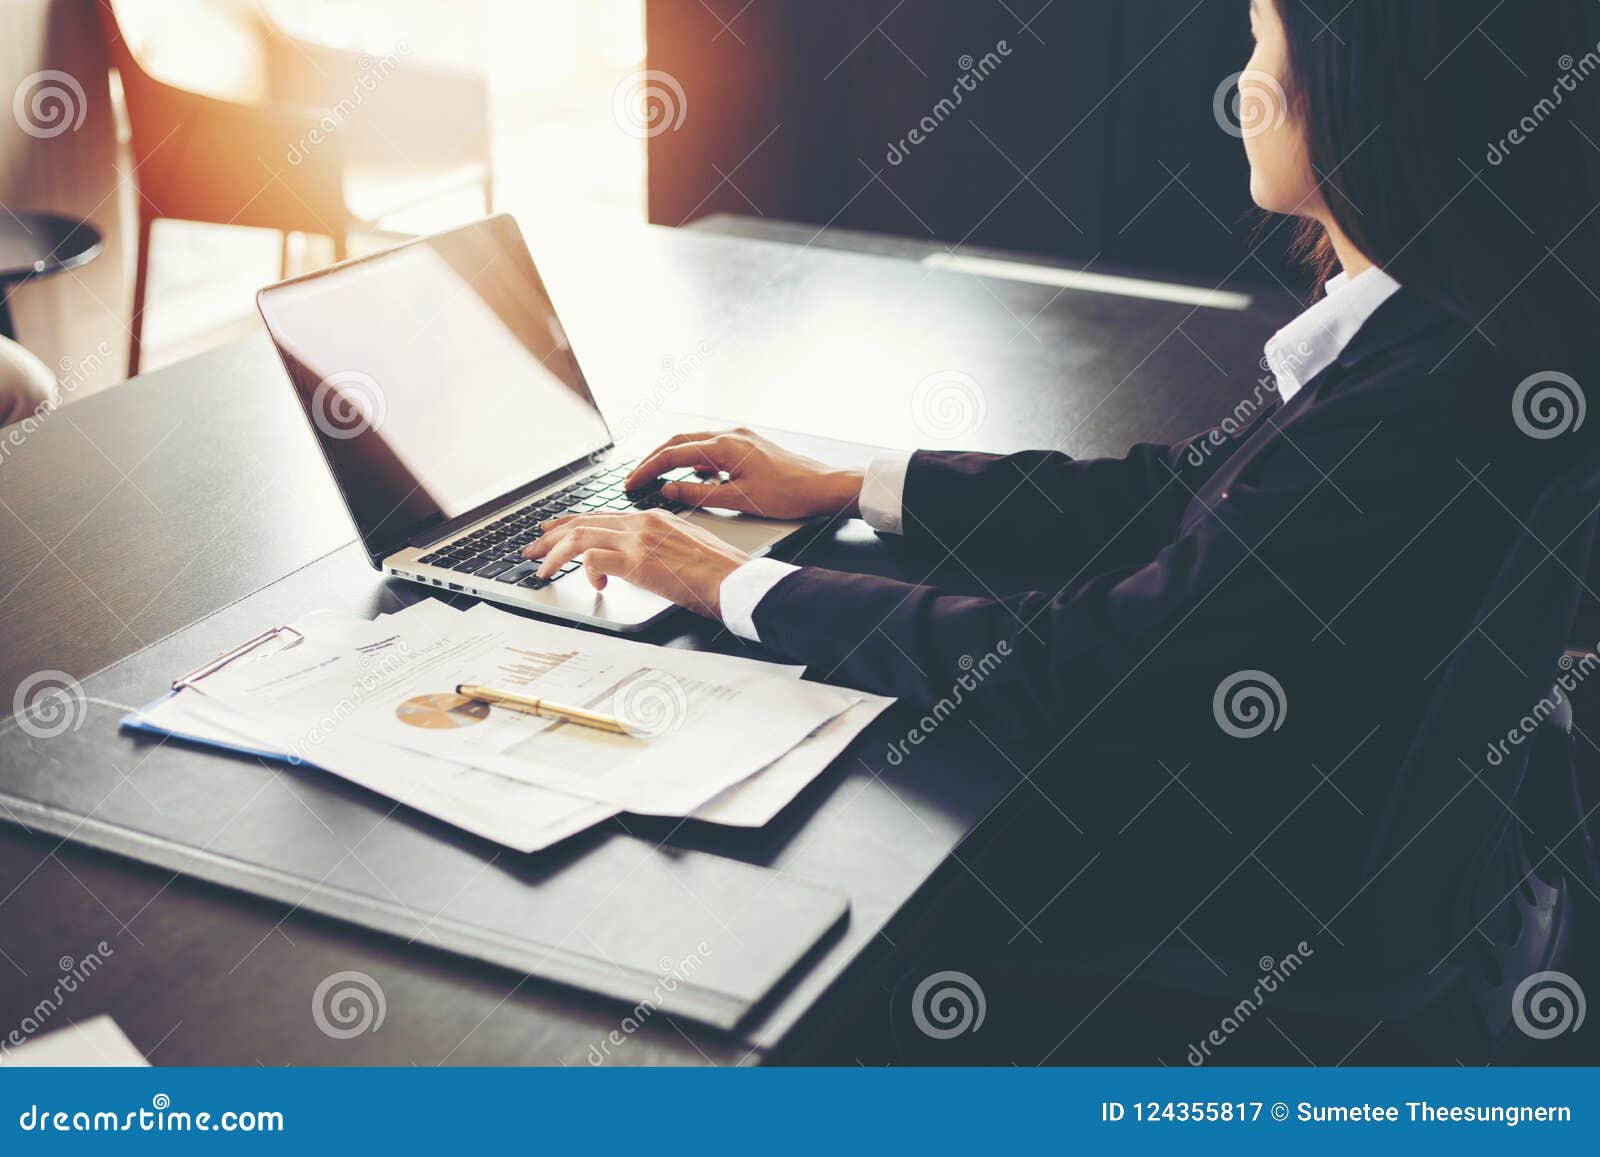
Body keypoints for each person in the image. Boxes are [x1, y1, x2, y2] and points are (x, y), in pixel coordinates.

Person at [526, 0, 1600, 1049]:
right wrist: (849, 484)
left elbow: (1092, 667)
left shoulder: (1402, 409)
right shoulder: (1451, 332)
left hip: (1247, 922)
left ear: (1356, 94)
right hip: (1386, 881)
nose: (1243, 91)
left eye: (1260, 42)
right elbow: (1175, 493)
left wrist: (736, 587)